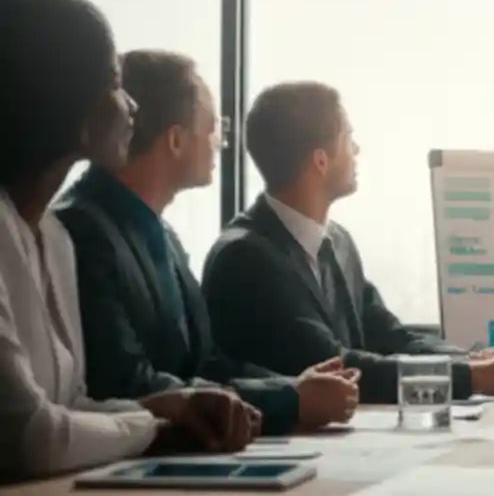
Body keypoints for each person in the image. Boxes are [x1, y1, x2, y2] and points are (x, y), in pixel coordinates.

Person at [0, 0, 257, 480]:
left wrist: (171, 406)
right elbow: (31, 435)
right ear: (64, 95)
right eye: (115, 85)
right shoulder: (76, 227)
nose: (131, 106)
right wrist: (156, 423)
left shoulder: (52, 237)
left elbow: (70, 402)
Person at [56, 50, 359, 435]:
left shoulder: (162, 236)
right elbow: (127, 385)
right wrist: (289, 401)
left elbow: (206, 365)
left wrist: (291, 387)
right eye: (214, 126)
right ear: (176, 140)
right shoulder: (83, 232)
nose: (220, 142)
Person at [202, 81, 494, 403]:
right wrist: (472, 377)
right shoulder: (245, 257)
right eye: (348, 138)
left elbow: (390, 337)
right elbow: (336, 364)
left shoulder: (336, 241)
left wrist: (471, 359)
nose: (356, 149)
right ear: (320, 160)